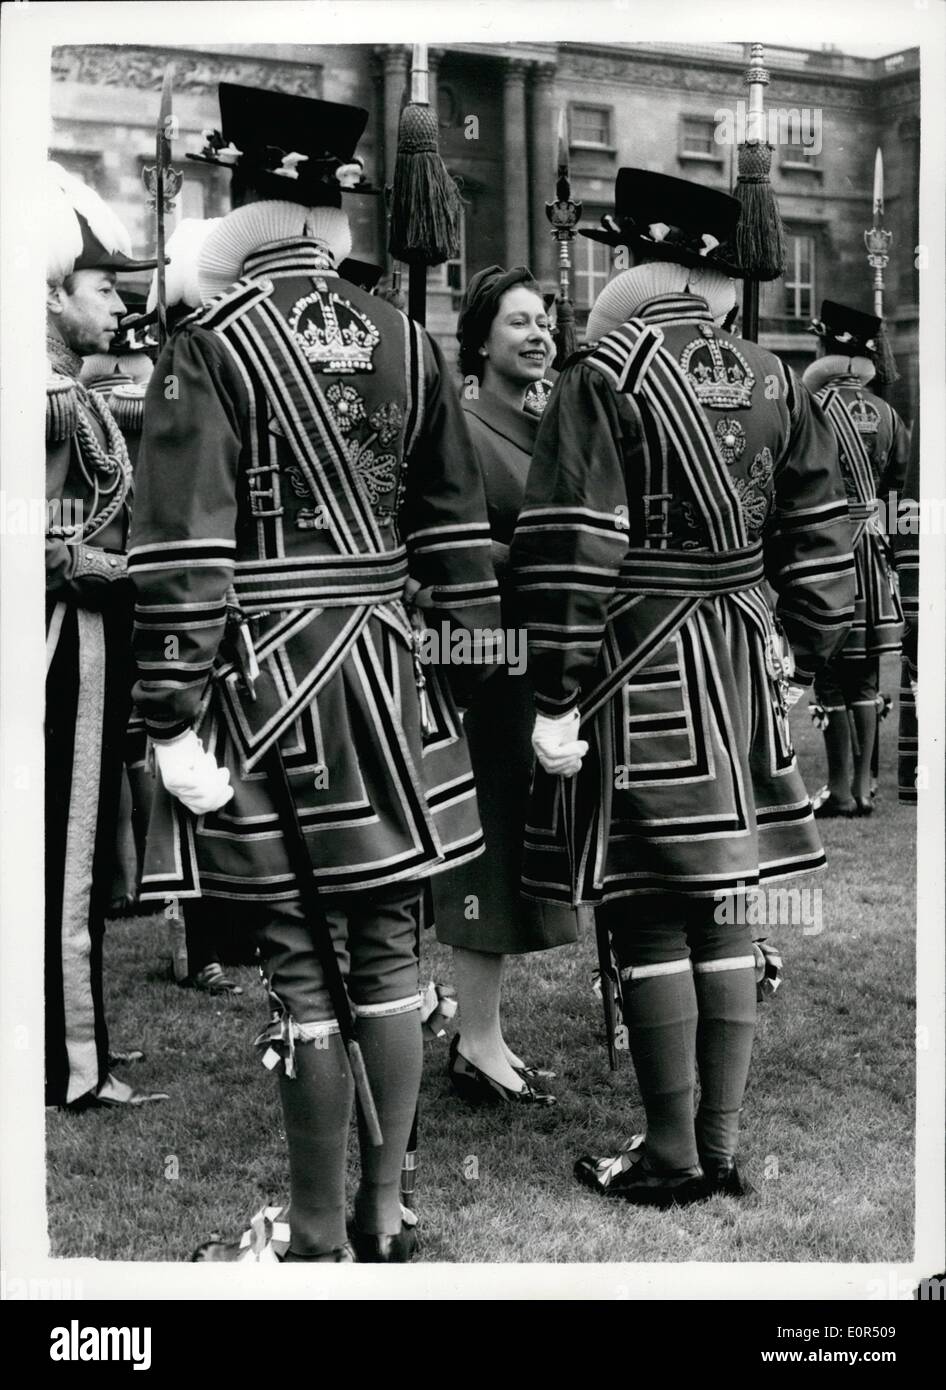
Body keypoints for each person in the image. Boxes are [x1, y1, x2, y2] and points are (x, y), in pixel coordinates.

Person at [128, 84, 500, 1262]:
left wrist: (170, 715)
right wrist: (465, 671)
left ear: (238, 204)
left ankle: (321, 1234)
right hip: (393, 683)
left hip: (268, 686)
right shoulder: (405, 337)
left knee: (300, 963)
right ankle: (386, 1214)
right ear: (331, 208)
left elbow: (184, 550)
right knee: (388, 950)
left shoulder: (207, 339)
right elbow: (454, 539)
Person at [509, 168, 856, 1205]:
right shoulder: (770, 372)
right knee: (729, 896)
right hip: (743, 659)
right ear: (711, 273)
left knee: (650, 904)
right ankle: (720, 1144)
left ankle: (670, 1155)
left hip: (640, 657)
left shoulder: (600, 370)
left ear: (635, 262)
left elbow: (570, 541)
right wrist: (811, 637)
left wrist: (556, 689)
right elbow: (817, 527)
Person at [432, 264, 577, 1106]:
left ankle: (484, 1034)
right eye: (518, 322)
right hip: (486, 660)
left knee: (524, 847)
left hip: (548, 663)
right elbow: (433, 548)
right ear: (480, 342)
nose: (538, 334)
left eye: (546, 321)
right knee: (485, 846)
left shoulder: (554, 422)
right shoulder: (459, 428)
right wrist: (525, 560)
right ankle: (476, 1041)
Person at [44, 162, 168, 1109]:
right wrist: (132, 575)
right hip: (62, 649)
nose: (115, 304)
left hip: (80, 643)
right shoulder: (43, 397)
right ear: (52, 290)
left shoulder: (70, 390)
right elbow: (41, 544)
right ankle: (71, 1067)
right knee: (66, 857)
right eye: (100, 287)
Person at [802, 301, 909, 817]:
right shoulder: (888, 415)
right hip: (872, 548)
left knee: (828, 671)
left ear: (827, 348)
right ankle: (866, 790)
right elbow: (894, 488)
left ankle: (841, 792)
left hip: (828, 550)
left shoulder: (814, 407)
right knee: (866, 676)